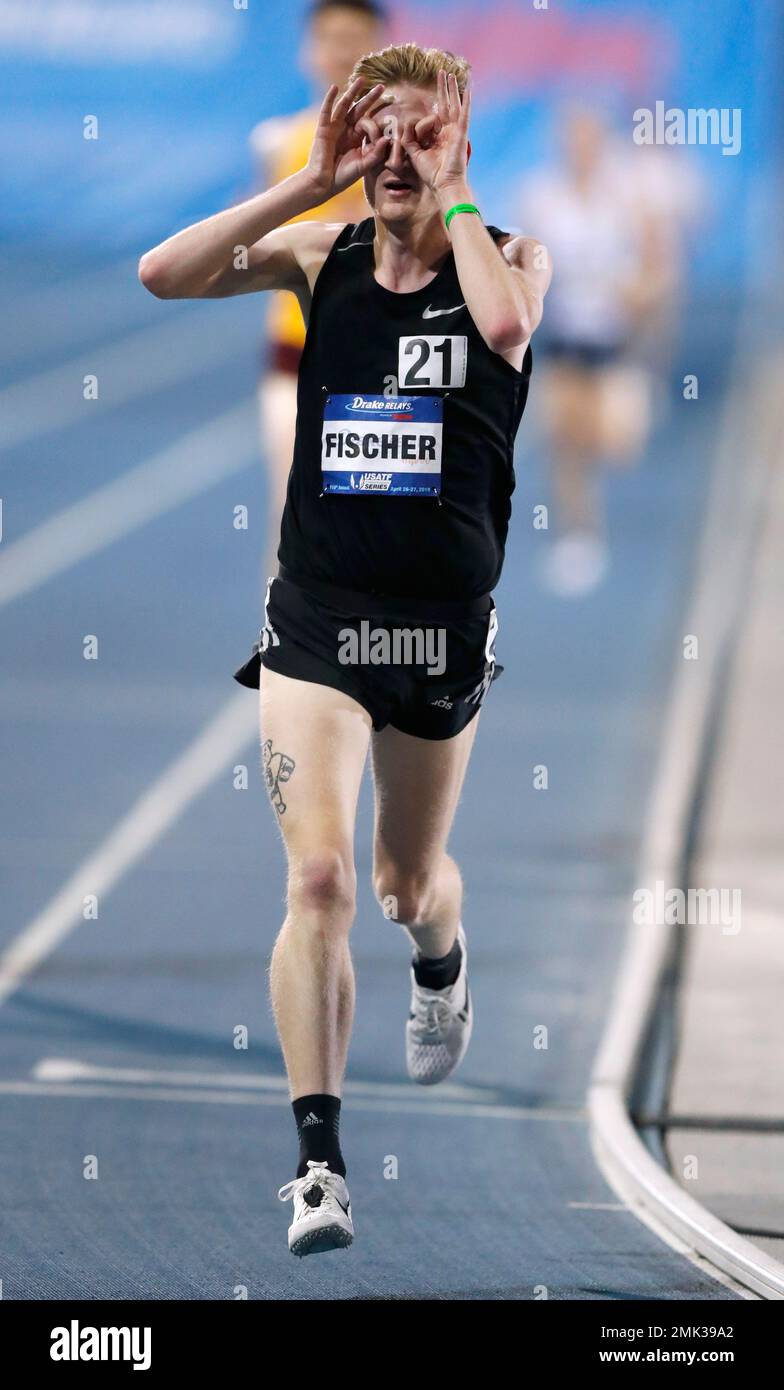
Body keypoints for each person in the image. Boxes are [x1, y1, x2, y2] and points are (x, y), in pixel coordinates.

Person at [139, 42, 550, 1258]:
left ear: (460, 146)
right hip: (315, 619)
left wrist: (453, 185)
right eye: (378, 134)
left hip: (434, 632)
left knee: (399, 885)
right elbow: (164, 274)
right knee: (316, 881)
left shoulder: (512, 254)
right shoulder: (327, 253)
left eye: (418, 135)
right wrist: (308, 180)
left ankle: (441, 956)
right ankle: (318, 1165)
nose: (395, 158)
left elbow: (509, 323)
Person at [250, 0, 388, 578]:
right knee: (291, 506)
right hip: (295, 349)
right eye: (329, 37)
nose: (340, 49)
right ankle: (281, 642)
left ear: (380, 48)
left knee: (370, 519)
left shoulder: (403, 142)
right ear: (309, 48)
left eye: (355, 38)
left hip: (373, 357)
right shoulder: (275, 140)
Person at [520, 108, 666, 597]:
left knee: (616, 443)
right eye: (571, 140)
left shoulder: (627, 198)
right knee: (567, 439)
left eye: (588, 140)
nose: (579, 149)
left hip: (614, 337)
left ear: (601, 144)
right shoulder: (542, 197)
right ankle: (578, 533)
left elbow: (656, 267)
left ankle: (588, 513)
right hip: (564, 335)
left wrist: (639, 295)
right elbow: (519, 260)